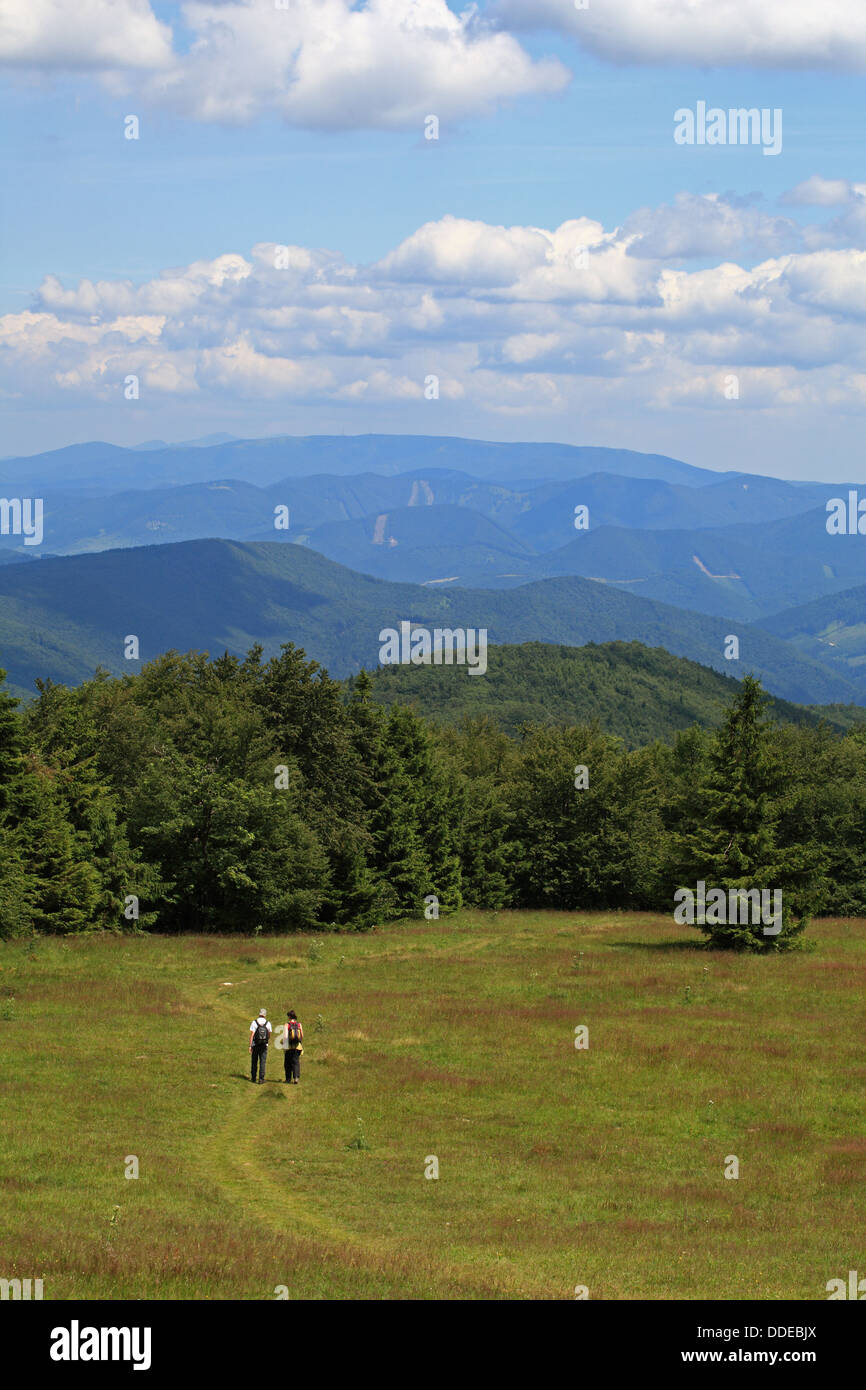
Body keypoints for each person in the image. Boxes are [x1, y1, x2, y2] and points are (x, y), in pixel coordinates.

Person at [249, 1008, 272, 1083]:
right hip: (264, 1045)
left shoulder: (254, 1022)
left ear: (259, 1014)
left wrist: (250, 1046)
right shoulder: (268, 1023)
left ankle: (253, 1078)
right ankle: (261, 1079)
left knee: (254, 1061)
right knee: (262, 1061)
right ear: (265, 1015)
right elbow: (269, 1035)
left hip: (255, 1044)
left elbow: (252, 1035)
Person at [284, 1009, 304, 1084]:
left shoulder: (287, 1025)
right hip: (297, 1046)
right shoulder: (299, 1024)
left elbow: (285, 1037)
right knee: (296, 1062)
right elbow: (302, 1035)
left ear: (289, 1016)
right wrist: (299, 1042)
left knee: (287, 1063)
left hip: (289, 1047)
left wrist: (285, 1046)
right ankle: (296, 1078)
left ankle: (288, 1079)